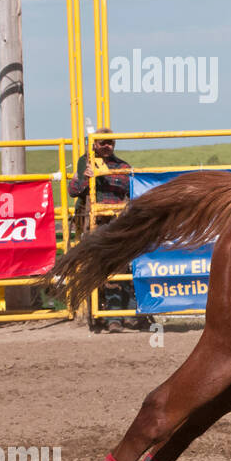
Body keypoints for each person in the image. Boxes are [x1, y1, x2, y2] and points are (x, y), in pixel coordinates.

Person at [67, 129, 137, 331]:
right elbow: (73, 190)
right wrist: (85, 177)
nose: (108, 146)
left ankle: (125, 314)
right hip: (96, 224)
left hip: (118, 224)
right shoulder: (85, 164)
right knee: (107, 269)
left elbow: (133, 192)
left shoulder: (123, 166)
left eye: (111, 143)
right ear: (95, 145)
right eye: (103, 143)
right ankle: (112, 316)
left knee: (122, 267)